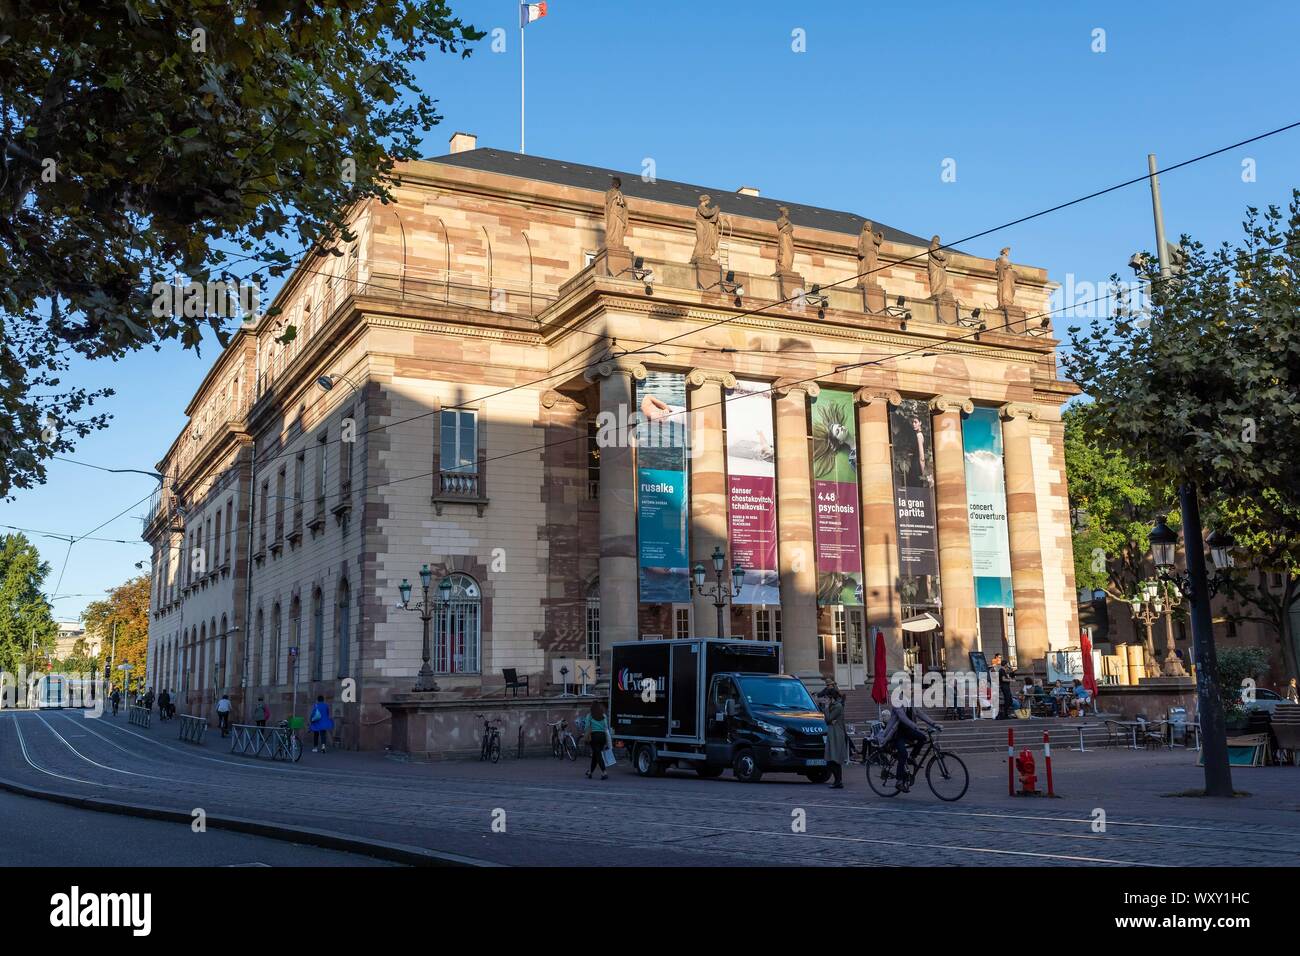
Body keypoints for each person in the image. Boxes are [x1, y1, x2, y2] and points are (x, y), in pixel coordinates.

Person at [880, 695, 940, 791]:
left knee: (923, 738)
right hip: (897, 734)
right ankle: (899, 781)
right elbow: (902, 718)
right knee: (903, 754)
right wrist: (915, 726)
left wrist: (933, 723)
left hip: (908, 732)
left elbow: (921, 714)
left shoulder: (910, 702)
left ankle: (912, 757)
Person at [820, 684, 848, 788]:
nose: (825, 699)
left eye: (827, 698)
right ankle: (838, 781)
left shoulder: (837, 706)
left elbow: (828, 719)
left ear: (831, 698)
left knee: (835, 759)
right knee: (831, 759)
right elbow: (828, 721)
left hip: (837, 734)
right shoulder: (833, 706)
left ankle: (838, 781)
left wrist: (826, 708)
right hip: (832, 733)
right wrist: (829, 717)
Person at [585, 700, 610, 780]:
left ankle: (604, 772)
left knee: (598, 755)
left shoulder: (590, 716)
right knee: (596, 755)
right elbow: (606, 727)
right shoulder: (603, 716)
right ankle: (590, 772)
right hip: (602, 736)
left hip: (594, 736)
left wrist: (586, 736)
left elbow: (587, 727)